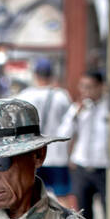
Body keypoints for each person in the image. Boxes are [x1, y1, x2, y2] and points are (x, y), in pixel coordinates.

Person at [17, 57, 72, 199]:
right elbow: (70, 127)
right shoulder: (62, 96)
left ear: (35, 75)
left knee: (32, 198)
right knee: (62, 198)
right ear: (52, 75)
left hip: (32, 156)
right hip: (58, 155)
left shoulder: (25, 96)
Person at [64, 70, 110, 219]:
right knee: (83, 216)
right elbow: (63, 134)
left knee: (109, 211)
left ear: (101, 87)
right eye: (82, 87)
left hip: (104, 167)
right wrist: (75, 115)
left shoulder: (109, 110)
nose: (85, 91)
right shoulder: (76, 109)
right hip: (81, 167)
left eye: (89, 87)